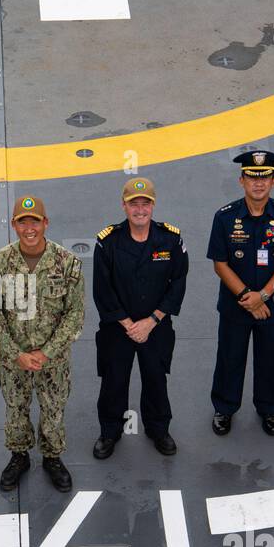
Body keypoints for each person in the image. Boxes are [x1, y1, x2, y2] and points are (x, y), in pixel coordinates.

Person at [0, 197, 85, 493]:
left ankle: (52, 457)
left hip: (53, 359)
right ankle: (19, 456)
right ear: (14, 225)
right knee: (15, 408)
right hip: (13, 360)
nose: (29, 228)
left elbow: (75, 314)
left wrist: (45, 352)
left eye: (35, 221)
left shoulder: (67, 264)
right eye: (23, 221)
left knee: (53, 409)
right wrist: (17, 355)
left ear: (46, 223)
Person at [206, 152, 274, 436]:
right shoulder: (224, 217)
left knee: (269, 358)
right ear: (241, 180)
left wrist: (263, 295)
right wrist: (249, 297)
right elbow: (220, 264)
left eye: (263, 178)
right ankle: (224, 408)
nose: (257, 184)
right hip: (236, 305)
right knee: (229, 357)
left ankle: (268, 408)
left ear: (273, 181)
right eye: (252, 177)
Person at [92, 177, 188, 458]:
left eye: (145, 203)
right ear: (124, 206)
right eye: (134, 203)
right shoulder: (107, 242)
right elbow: (103, 289)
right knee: (114, 380)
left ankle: (158, 428)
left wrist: (152, 321)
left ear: (153, 205)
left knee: (156, 377)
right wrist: (128, 324)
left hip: (155, 326)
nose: (140, 209)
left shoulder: (170, 239)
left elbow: (179, 281)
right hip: (117, 327)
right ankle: (109, 431)